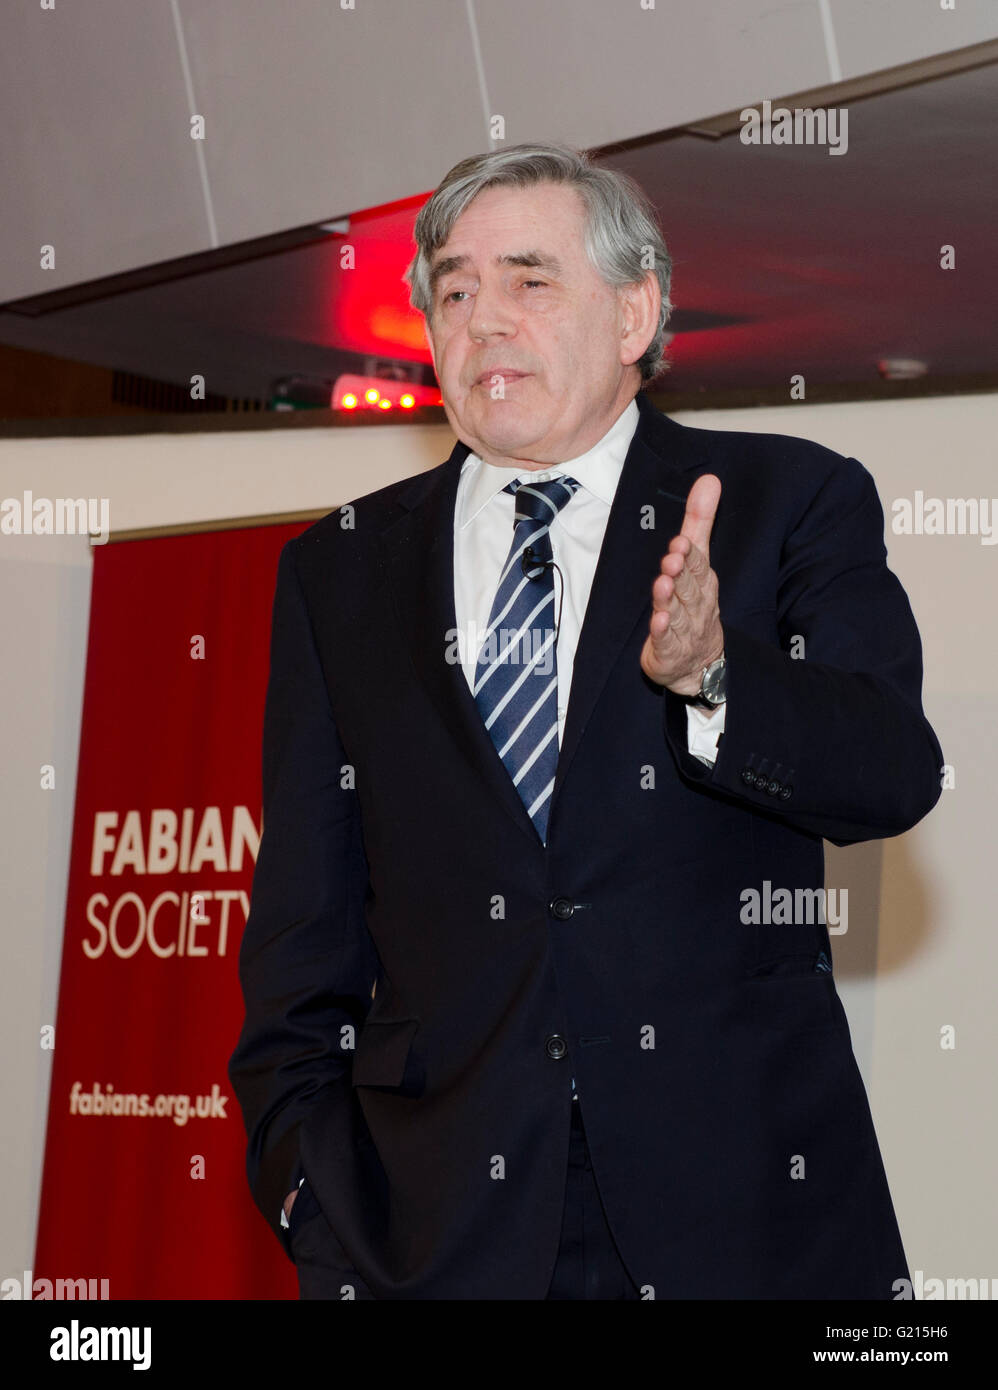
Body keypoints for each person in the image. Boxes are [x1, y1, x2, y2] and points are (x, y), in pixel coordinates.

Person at [229, 143, 942, 1300]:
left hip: (745, 1226)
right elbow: (302, 931)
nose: (481, 320)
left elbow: (889, 769)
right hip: (436, 1239)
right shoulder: (338, 571)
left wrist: (716, 676)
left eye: (528, 280)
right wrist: (311, 1191)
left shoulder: (784, 503)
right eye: (452, 291)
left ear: (634, 312)